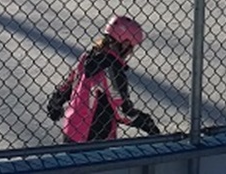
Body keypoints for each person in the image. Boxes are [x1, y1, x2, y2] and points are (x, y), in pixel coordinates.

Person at [46, 15, 160, 143]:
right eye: (131, 48)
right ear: (125, 44)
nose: (130, 53)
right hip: (95, 135)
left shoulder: (89, 56)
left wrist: (57, 100)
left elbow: (70, 82)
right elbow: (121, 112)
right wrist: (145, 122)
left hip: (71, 128)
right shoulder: (112, 70)